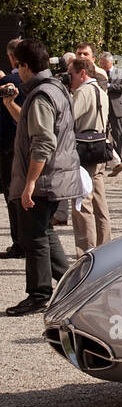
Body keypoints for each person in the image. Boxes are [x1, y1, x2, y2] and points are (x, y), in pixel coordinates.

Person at [4, 38, 83, 315]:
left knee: (34, 238)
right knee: (43, 233)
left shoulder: (40, 95)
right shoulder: (55, 88)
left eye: (18, 65)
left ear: (24, 66)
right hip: (55, 176)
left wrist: (30, 183)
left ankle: (39, 294)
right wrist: (10, 104)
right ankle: (75, 284)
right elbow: (31, 126)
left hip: (44, 179)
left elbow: (43, 141)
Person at [68, 57, 112, 254]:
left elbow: (69, 118)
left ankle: (86, 251)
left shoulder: (84, 91)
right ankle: (105, 246)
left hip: (85, 150)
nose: (69, 78)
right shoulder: (101, 91)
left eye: (72, 74)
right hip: (100, 147)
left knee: (82, 201)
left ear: (82, 73)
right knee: (99, 202)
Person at [0, 40, 24, 257]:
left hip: (8, 145)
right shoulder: (38, 82)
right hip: (31, 144)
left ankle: (19, 242)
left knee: (11, 193)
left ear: (11, 58)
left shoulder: (8, 82)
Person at [99, 50, 122, 160]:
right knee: (102, 133)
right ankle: (104, 157)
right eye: (101, 63)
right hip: (103, 107)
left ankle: (118, 158)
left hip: (117, 106)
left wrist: (109, 86)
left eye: (104, 63)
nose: (102, 65)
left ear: (110, 62)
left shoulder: (119, 72)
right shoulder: (98, 73)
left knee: (119, 134)